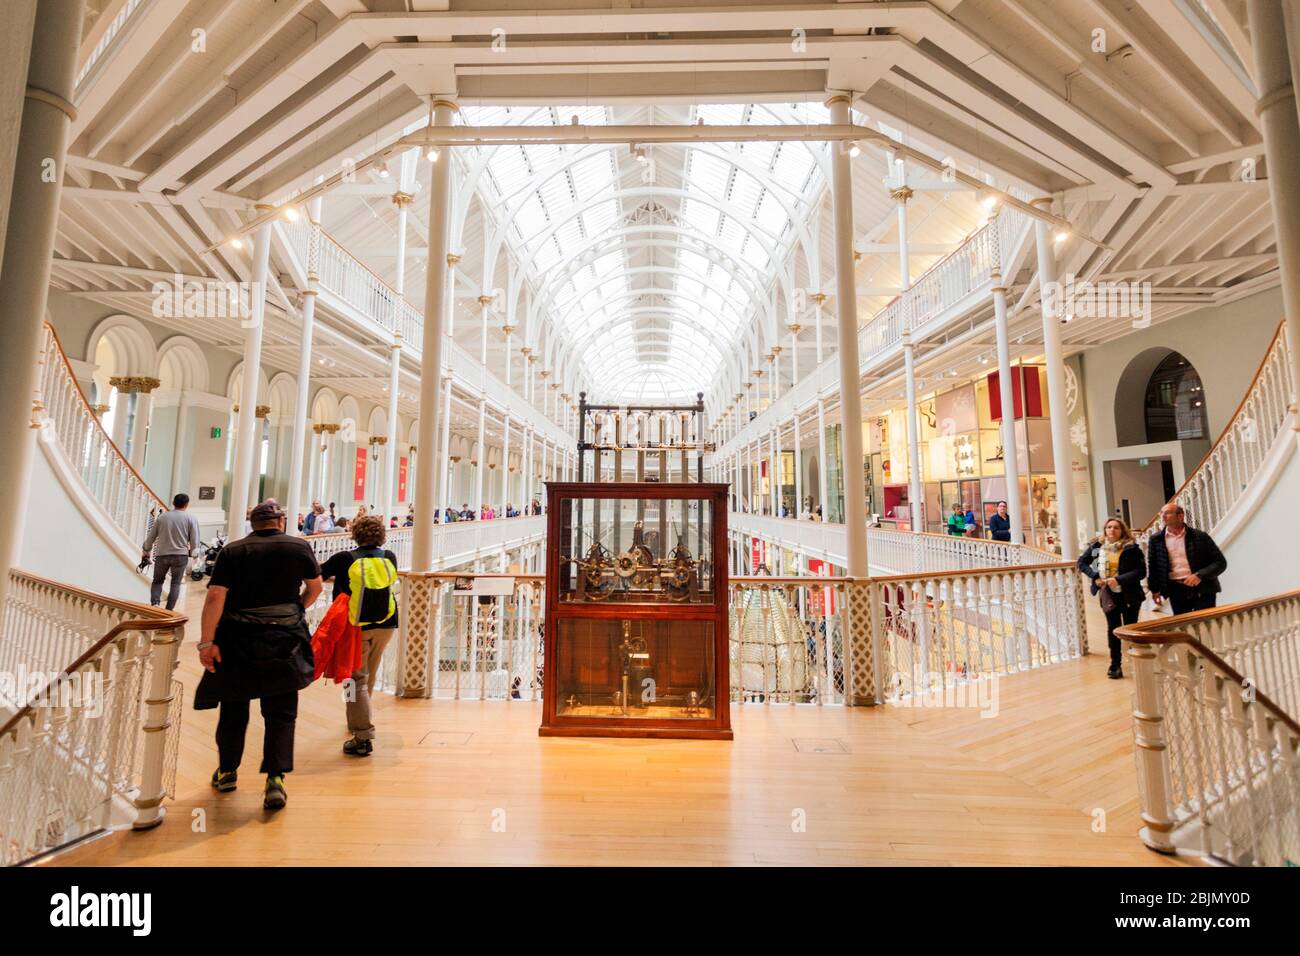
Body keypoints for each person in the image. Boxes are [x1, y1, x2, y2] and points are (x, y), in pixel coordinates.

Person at [195, 500, 322, 811]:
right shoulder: (298, 547)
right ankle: (275, 778)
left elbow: (215, 596)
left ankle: (227, 771)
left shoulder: (234, 551)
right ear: (280, 522)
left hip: (238, 639)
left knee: (234, 709)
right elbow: (315, 588)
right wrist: (294, 610)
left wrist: (206, 642)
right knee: (281, 712)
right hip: (284, 640)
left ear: (252, 523)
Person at [319, 515, 400, 756]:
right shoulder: (389, 557)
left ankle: (362, 735)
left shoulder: (344, 558)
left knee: (354, 679)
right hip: (387, 623)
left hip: (355, 627)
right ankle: (358, 719)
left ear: (356, 534)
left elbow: (317, 574)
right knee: (368, 676)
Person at [1078, 517, 1147, 679]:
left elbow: (1140, 572)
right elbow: (1082, 562)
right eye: (1109, 527)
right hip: (1109, 594)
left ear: (1122, 530)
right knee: (1113, 629)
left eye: (1116, 527)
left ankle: (1137, 661)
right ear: (1105, 530)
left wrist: (1119, 579)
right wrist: (1095, 576)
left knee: (1130, 629)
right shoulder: (1098, 547)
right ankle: (1115, 664)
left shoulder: (1131, 548)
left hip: (1130, 594)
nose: (1112, 530)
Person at [1147, 503, 1227, 614]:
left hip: (1202, 587)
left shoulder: (1200, 536)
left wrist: (1199, 575)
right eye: (1161, 513)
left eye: (1167, 513)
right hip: (1176, 590)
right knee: (1183, 626)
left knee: (1205, 624)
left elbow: (1220, 562)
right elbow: (1153, 567)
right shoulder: (1156, 539)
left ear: (1180, 516)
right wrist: (1155, 590)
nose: (1163, 516)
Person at [142, 493, 201, 610]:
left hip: (161, 555)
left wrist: (146, 550)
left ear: (174, 503)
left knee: (157, 581)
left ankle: (155, 605)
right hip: (180, 556)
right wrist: (195, 557)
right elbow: (195, 540)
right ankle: (169, 610)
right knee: (175, 583)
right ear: (187, 504)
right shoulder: (191, 518)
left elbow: (151, 537)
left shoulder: (162, 518)